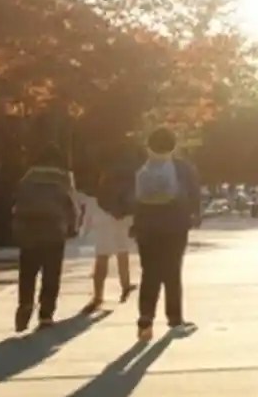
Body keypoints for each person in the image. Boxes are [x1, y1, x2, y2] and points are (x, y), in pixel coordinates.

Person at [133, 127, 202, 342]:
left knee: (149, 272)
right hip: (175, 226)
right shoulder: (183, 168)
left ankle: (146, 319)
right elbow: (194, 194)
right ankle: (175, 318)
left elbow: (133, 198)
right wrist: (194, 215)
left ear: (149, 145)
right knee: (172, 272)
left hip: (146, 227)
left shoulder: (142, 168)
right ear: (174, 145)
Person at [12, 145, 79, 332]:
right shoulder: (63, 178)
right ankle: (46, 314)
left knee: (27, 272)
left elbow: (17, 202)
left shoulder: (27, 178)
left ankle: (25, 304)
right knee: (51, 273)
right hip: (54, 231)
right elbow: (71, 204)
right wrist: (73, 227)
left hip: (28, 231)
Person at [79, 146, 138, 314]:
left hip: (103, 211)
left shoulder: (99, 169)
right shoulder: (127, 167)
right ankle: (125, 285)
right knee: (122, 250)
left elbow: (91, 192)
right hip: (123, 213)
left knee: (102, 255)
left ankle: (98, 296)